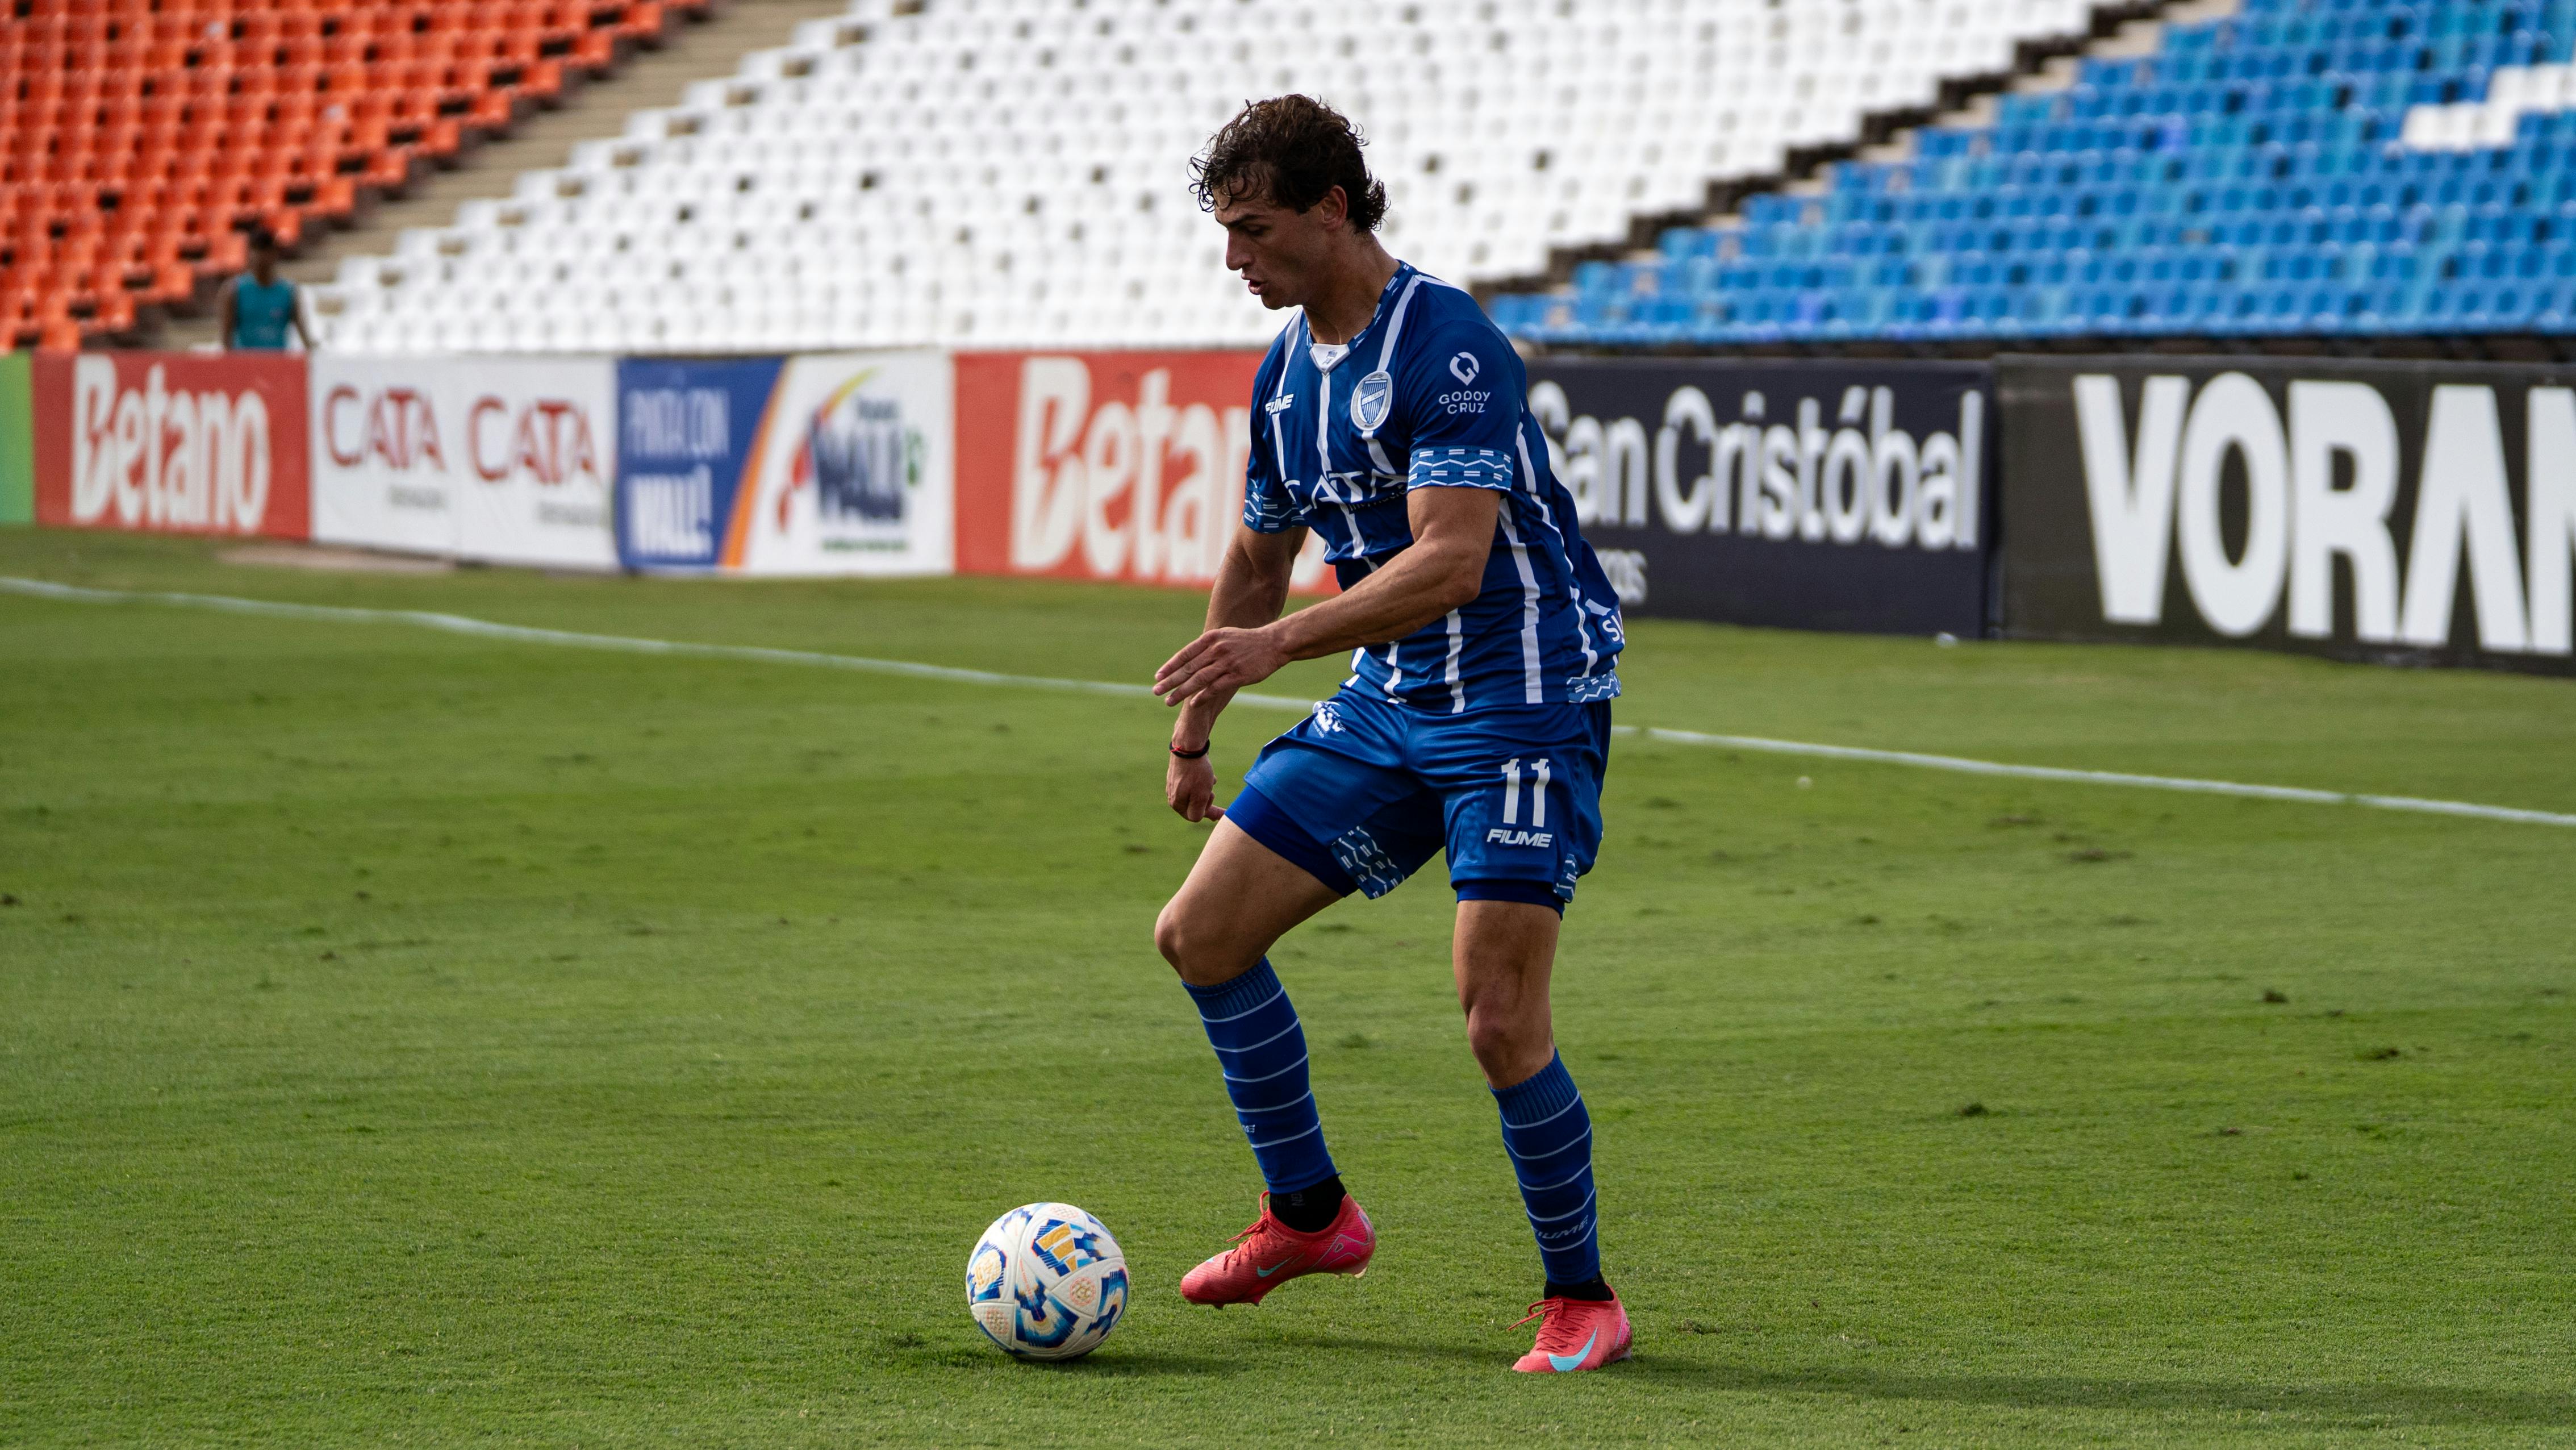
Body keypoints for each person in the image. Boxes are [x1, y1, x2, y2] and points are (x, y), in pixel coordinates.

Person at [1150, 95, 1632, 1374]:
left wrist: (1271, 653)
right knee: (1199, 935)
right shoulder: (1282, 374)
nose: (1232, 257)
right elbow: (1258, 561)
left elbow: (1451, 563)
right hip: (1393, 697)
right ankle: (1309, 1218)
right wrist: (1201, 718)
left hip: (1521, 696)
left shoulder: (1447, 342)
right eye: (1223, 231)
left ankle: (1582, 1297)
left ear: (1331, 208)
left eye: (1251, 229)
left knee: (1494, 1016)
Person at [219, 230, 312, 352]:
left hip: (277, 365)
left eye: (263, 250)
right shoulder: (234, 290)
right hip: (244, 364)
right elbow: (226, 339)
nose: (258, 256)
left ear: (274, 254)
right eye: (255, 250)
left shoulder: (289, 292)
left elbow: (304, 335)